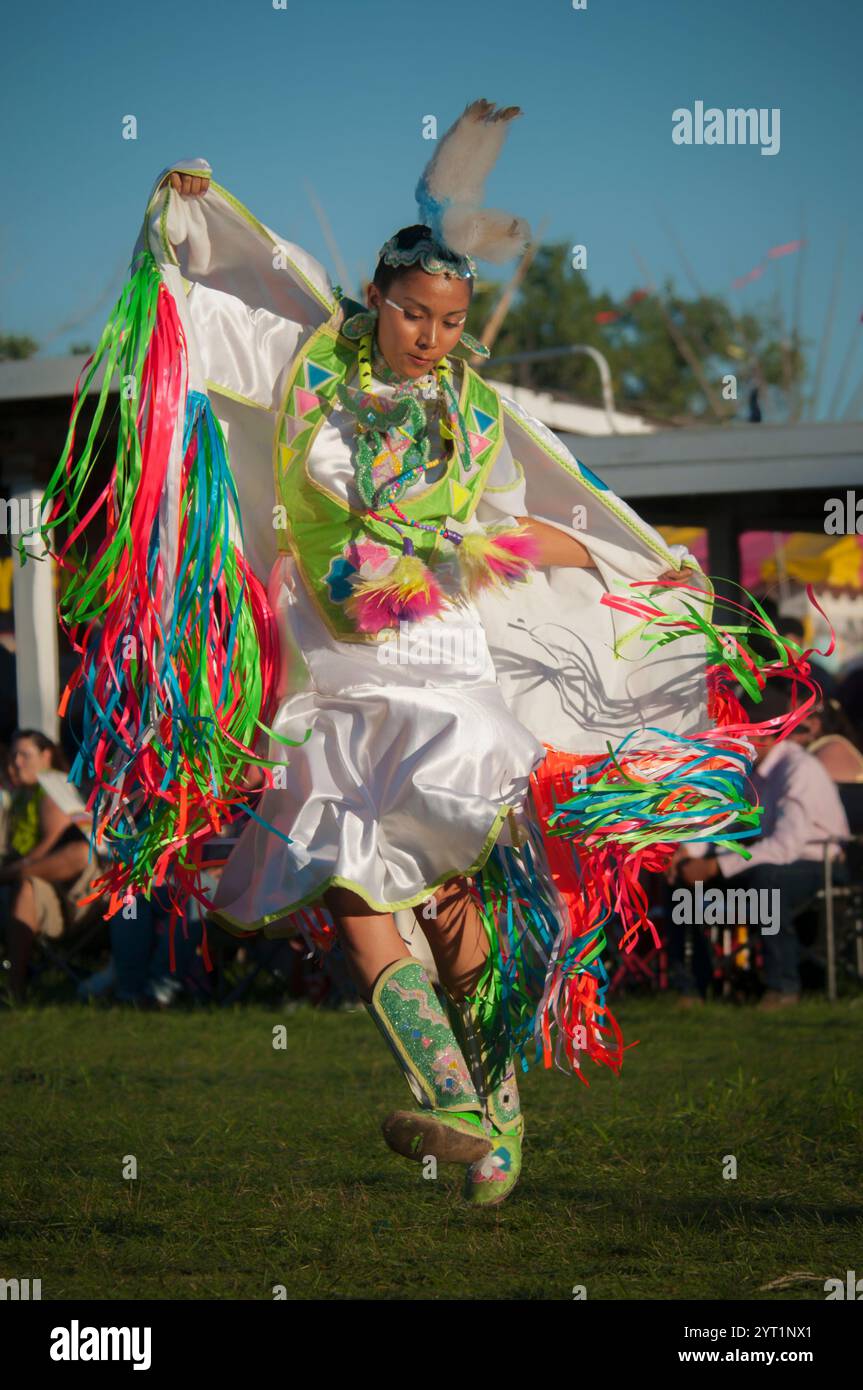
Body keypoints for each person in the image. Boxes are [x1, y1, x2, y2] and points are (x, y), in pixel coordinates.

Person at [32, 99, 815, 1204]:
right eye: (413, 316)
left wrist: (608, 565)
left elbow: (527, 518)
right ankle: (453, 1097)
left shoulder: (473, 416)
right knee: (351, 890)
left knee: (448, 900)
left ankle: (494, 1107)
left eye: (450, 322)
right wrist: (189, 214)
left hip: (441, 672)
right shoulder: (309, 364)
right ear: (376, 300)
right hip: (336, 674)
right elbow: (215, 306)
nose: (431, 338)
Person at [673, 686, 850, 1008]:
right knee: (683, 885)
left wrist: (714, 866)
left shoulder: (799, 770)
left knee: (766, 881)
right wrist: (692, 853)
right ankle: (690, 986)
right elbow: (725, 821)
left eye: (746, 734)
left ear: (769, 736)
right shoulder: (750, 771)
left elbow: (785, 848)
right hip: (770, 861)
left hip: (819, 864)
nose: (739, 742)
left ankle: (783, 986)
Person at [0, 730, 96, 1002]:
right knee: (25, 888)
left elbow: (49, 850)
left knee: (27, 883)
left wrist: (15, 869)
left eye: (24, 755)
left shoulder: (53, 791)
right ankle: (15, 987)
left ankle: (15, 986)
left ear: (47, 755)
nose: (17, 762)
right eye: (14, 755)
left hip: (75, 889)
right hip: (48, 886)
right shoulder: (21, 795)